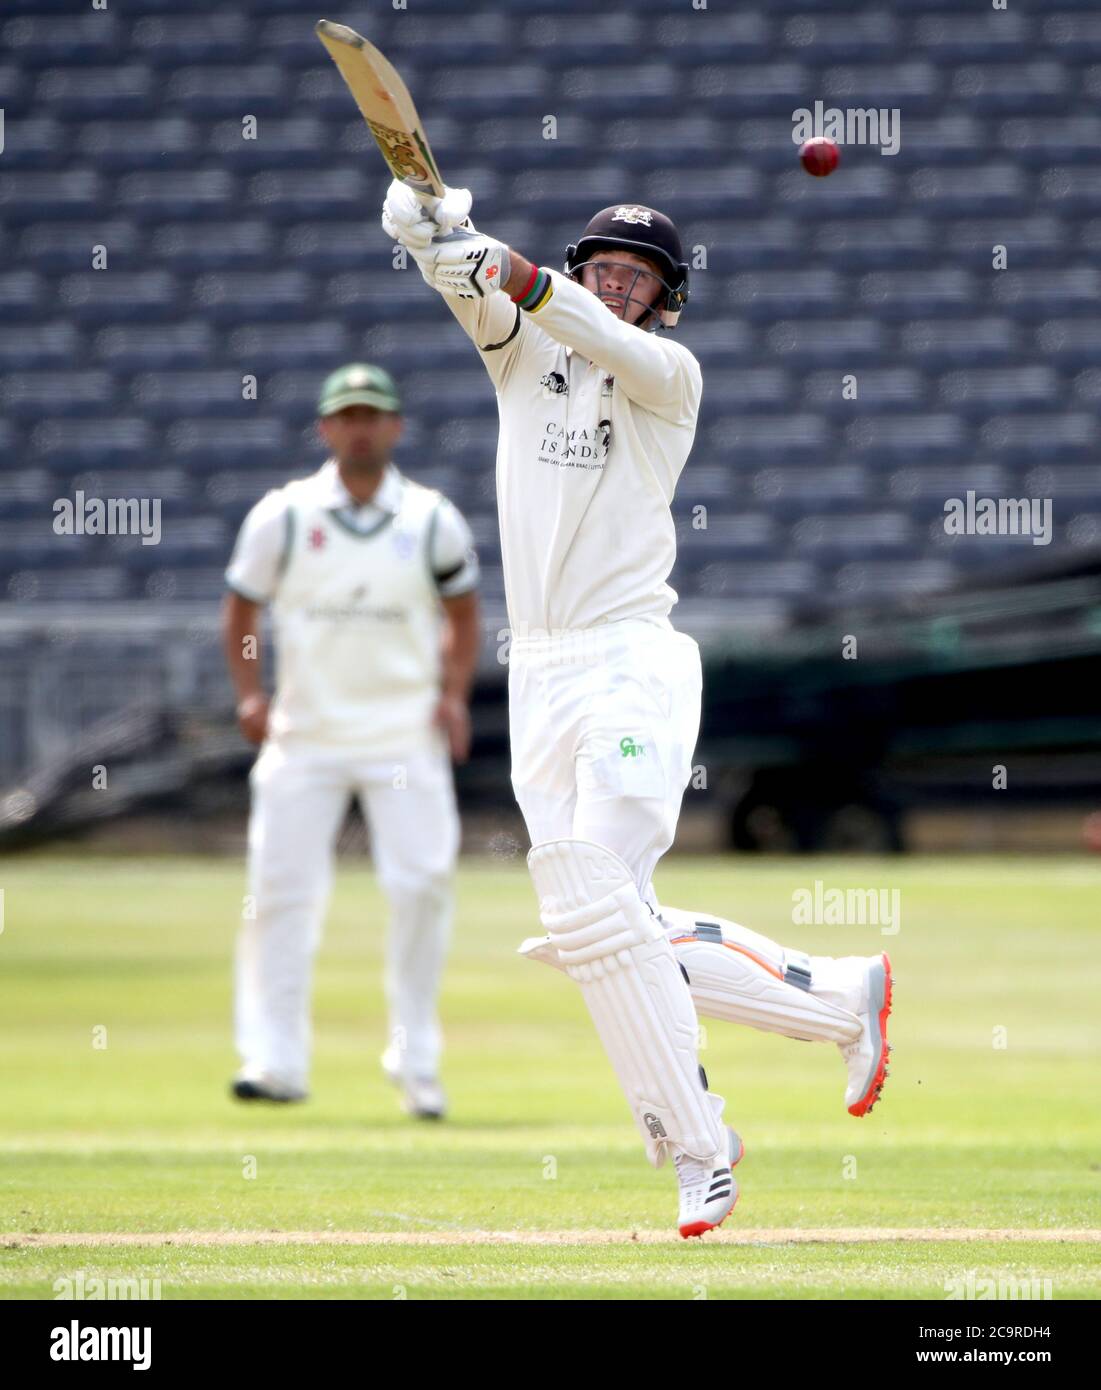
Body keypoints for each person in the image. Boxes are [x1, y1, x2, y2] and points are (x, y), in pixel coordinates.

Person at [381, 187, 892, 1234]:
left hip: (630, 660)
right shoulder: (521, 353)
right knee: (601, 927)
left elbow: (560, 307)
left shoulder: (670, 375)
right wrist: (425, 229)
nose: (616, 280)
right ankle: (840, 996)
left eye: (637, 272)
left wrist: (503, 263)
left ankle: (701, 1144)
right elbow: (477, 288)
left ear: (666, 295)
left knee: (595, 896)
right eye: (602, 263)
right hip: (541, 673)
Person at [222, 362, 481, 1119]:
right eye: (347, 415)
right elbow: (241, 610)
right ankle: (273, 1062)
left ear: (395, 426)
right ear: (325, 428)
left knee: (423, 887)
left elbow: (463, 614)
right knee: (278, 895)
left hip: (403, 732)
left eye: (373, 414)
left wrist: (454, 696)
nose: (360, 427)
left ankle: (417, 1061)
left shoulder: (431, 517)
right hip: (306, 735)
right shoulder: (285, 514)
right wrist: (248, 693)